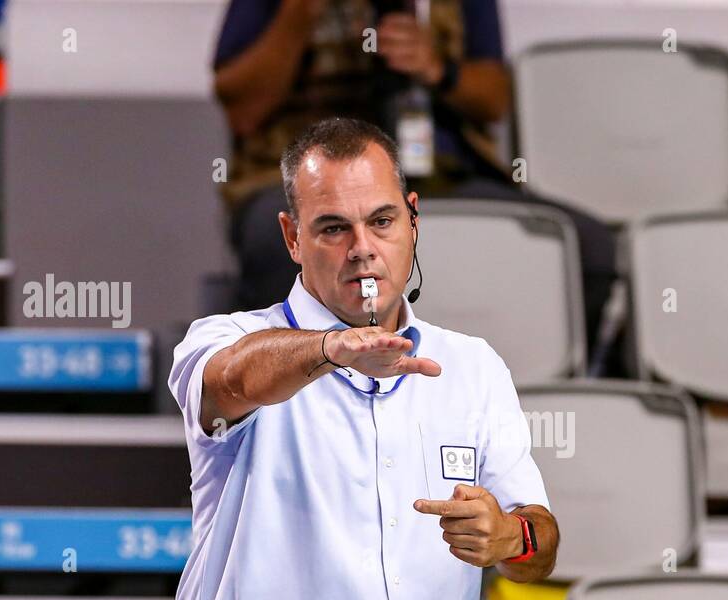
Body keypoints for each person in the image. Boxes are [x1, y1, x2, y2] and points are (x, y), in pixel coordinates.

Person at [169, 117, 560, 600]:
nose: (362, 248)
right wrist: (331, 348)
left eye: (381, 220)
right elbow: (233, 383)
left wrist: (511, 538)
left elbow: (541, 543)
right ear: (290, 237)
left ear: (413, 216)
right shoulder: (224, 340)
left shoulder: (475, 368)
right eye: (331, 228)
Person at [212, 0, 618, 371]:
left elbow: (493, 98)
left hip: (442, 174)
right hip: (311, 179)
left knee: (589, 245)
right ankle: (293, 382)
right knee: (273, 236)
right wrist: (299, 13)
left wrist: (439, 69)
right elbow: (242, 108)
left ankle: (541, 384)